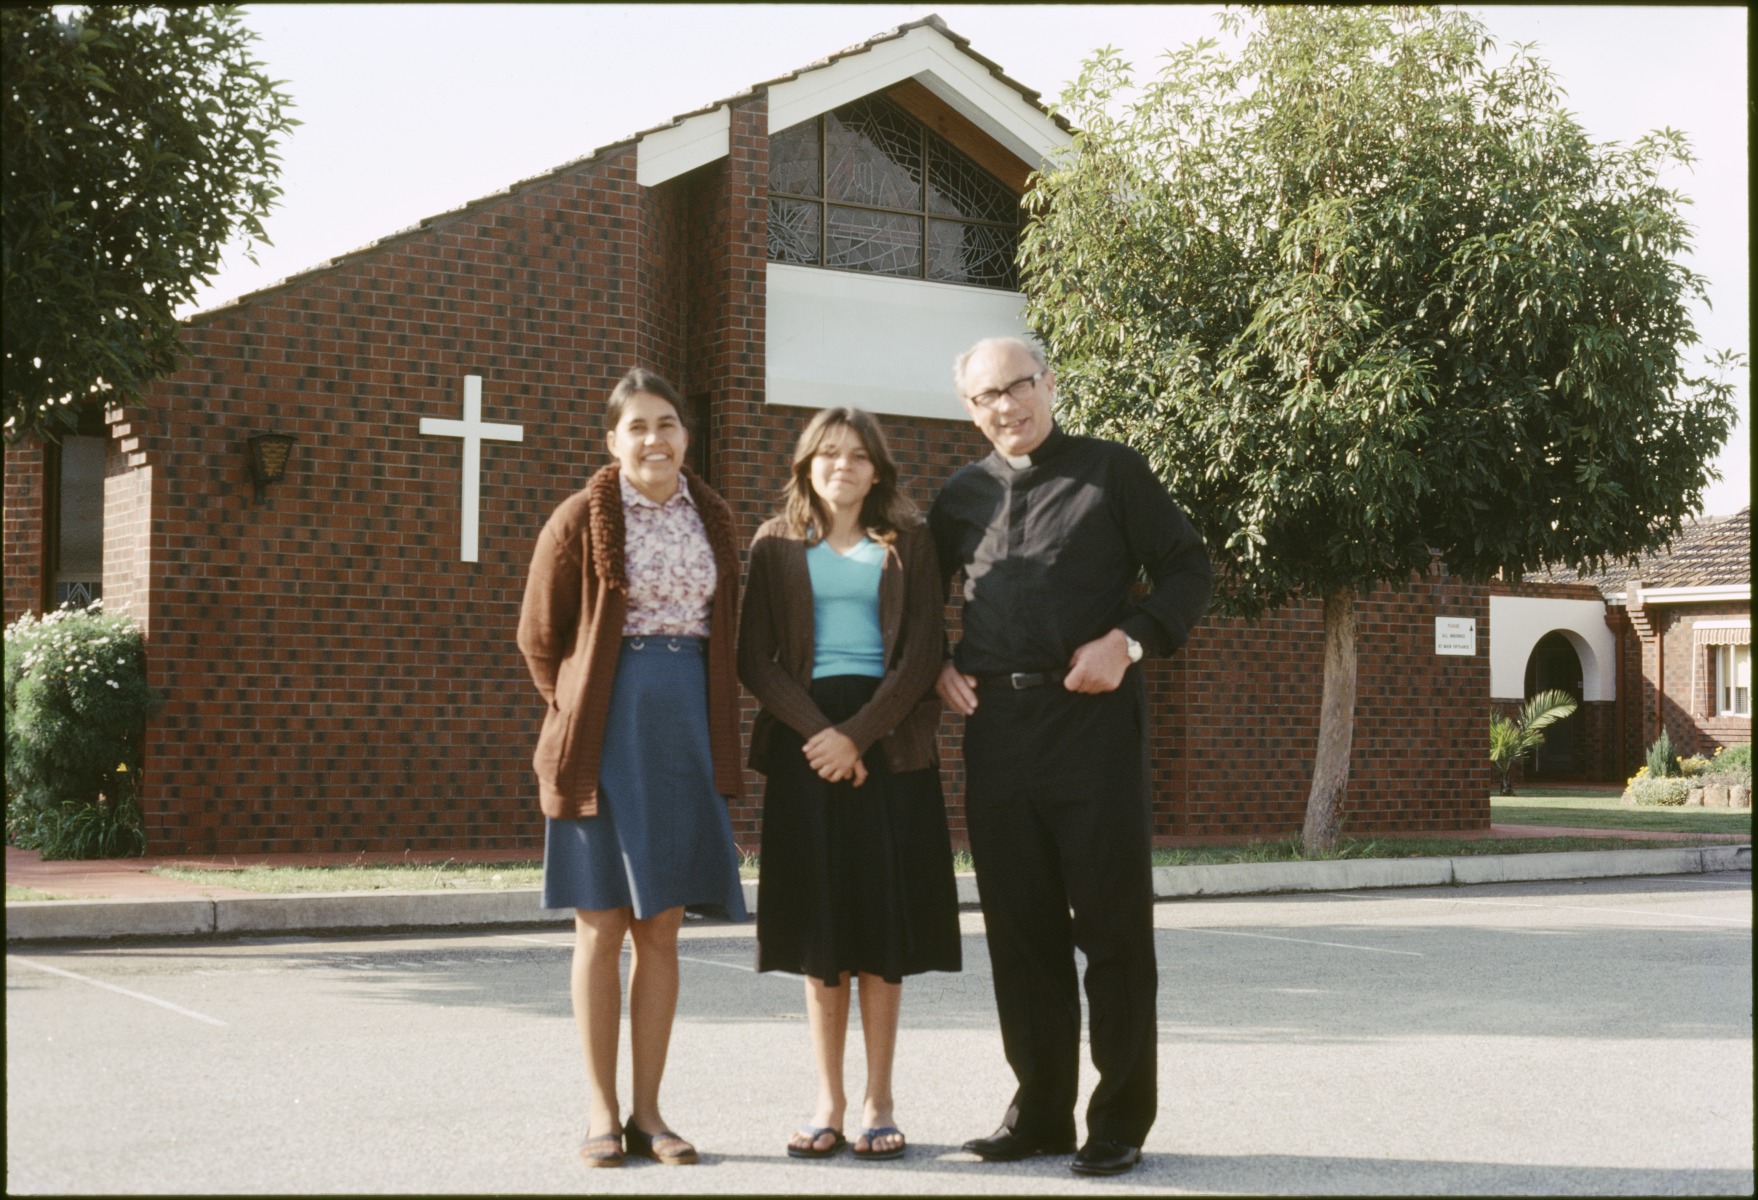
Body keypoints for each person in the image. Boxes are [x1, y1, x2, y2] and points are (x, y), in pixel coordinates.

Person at [929, 337, 1213, 1178]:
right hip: (999, 734)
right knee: (1020, 934)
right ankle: (1041, 1113)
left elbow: (1188, 568)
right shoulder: (959, 497)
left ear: (1049, 384)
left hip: (1091, 727)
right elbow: (912, 597)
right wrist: (935, 662)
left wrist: (1129, 640)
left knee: (1113, 930)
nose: (1005, 407)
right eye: (985, 397)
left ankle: (1119, 1119)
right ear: (969, 408)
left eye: (1018, 387)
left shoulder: (1112, 473)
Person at [516, 367, 749, 1170]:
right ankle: (600, 1112)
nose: (655, 439)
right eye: (638, 426)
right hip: (603, 738)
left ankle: (651, 1114)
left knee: (661, 929)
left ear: (686, 434)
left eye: (668, 423)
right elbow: (539, 640)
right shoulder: (579, 518)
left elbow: (728, 633)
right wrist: (582, 711)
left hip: (686, 730)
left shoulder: (714, 519)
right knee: (602, 924)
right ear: (612, 441)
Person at [738, 406, 961, 1164]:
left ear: (877, 470)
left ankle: (880, 1101)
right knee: (820, 929)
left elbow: (924, 647)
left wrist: (858, 735)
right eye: (828, 454)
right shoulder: (774, 545)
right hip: (808, 746)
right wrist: (821, 736)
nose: (842, 466)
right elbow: (755, 659)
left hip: (889, 742)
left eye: (857, 455)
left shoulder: (910, 543)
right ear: (807, 464)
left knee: (880, 927)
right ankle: (828, 1100)